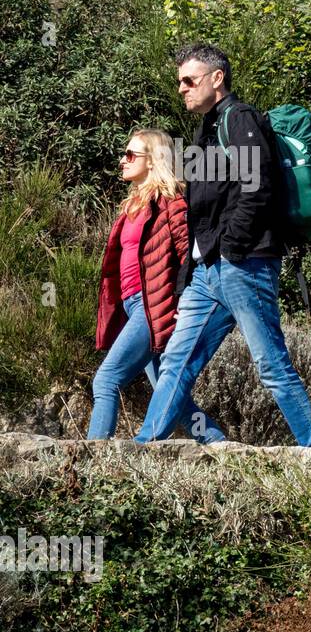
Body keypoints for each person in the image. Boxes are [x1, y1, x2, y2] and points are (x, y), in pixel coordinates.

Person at [133, 43, 311, 448]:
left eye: (190, 80)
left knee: (270, 364)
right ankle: (145, 445)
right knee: (176, 361)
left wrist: (232, 247)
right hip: (208, 273)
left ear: (217, 79)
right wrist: (198, 264)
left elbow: (257, 188)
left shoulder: (240, 119)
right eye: (180, 82)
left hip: (244, 263)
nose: (183, 88)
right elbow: (203, 207)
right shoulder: (206, 130)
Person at [89, 129, 227, 443]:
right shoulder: (132, 207)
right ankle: (217, 443)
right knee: (167, 391)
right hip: (133, 305)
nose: (123, 161)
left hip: (155, 306)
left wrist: (182, 303)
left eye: (131, 155)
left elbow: (187, 257)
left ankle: (92, 458)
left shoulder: (172, 203)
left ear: (153, 161)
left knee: (106, 380)